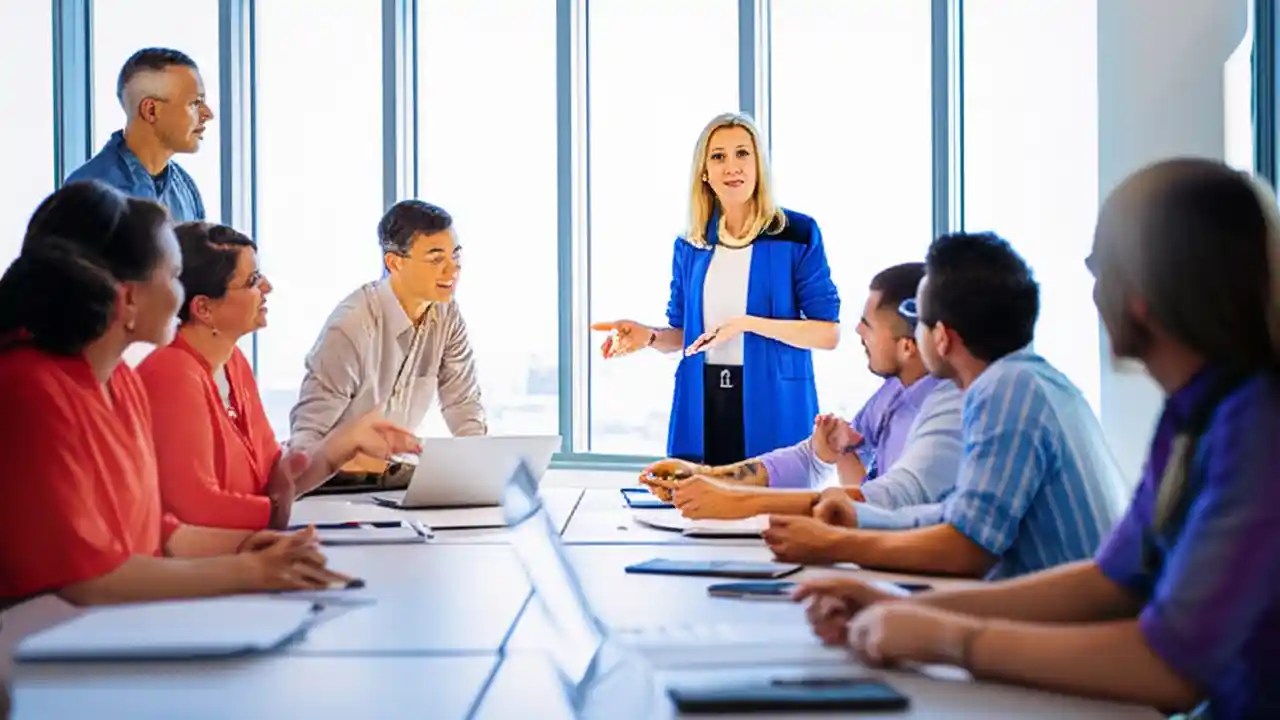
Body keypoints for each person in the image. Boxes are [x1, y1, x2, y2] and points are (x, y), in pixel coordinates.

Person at [793, 159, 1280, 720]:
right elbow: (1111, 581)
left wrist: (945, 637)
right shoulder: (1195, 415)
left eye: (1099, 266)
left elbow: (1172, 668)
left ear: (1143, 289)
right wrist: (904, 605)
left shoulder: (1257, 428)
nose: (1094, 292)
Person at [0, 181, 345, 606]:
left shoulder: (118, 380)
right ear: (129, 298)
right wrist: (245, 572)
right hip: (43, 646)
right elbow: (84, 580)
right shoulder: (29, 389)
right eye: (175, 276)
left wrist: (243, 548)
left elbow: (153, 532)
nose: (182, 296)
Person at [764, 232, 1127, 579]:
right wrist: (858, 519)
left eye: (918, 321)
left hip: (1069, 625)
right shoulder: (1033, 382)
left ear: (941, 338)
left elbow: (967, 547)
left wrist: (837, 544)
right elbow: (959, 517)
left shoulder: (1005, 389)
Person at [137, 222, 423, 531]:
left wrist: (345, 443)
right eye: (252, 280)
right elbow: (196, 508)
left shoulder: (233, 362)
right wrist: (275, 510)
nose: (267, 287)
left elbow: (275, 481)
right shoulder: (173, 374)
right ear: (204, 308)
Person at [592, 112, 840, 466]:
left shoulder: (796, 233)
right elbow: (684, 336)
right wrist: (648, 337)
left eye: (743, 153)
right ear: (705, 173)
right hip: (705, 404)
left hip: (774, 402)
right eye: (718, 156)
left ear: (758, 165)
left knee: (772, 512)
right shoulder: (691, 244)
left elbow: (828, 334)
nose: (732, 166)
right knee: (698, 512)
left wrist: (749, 323)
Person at [640, 263, 963, 520]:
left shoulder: (948, 412)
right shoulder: (894, 392)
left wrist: (741, 501)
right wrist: (707, 477)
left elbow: (887, 504)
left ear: (908, 346)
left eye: (868, 324)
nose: (857, 330)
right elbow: (813, 459)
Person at [289, 200, 486, 489]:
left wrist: (483, 472)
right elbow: (306, 441)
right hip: (332, 486)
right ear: (394, 263)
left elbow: (463, 404)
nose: (452, 270)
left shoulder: (447, 314)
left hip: (391, 481)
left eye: (456, 256)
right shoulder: (351, 326)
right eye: (436, 259)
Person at [66, 48, 211, 222]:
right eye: (195, 103)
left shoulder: (185, 188)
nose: (208, 114)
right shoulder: (87, 195)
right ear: (151, 110)